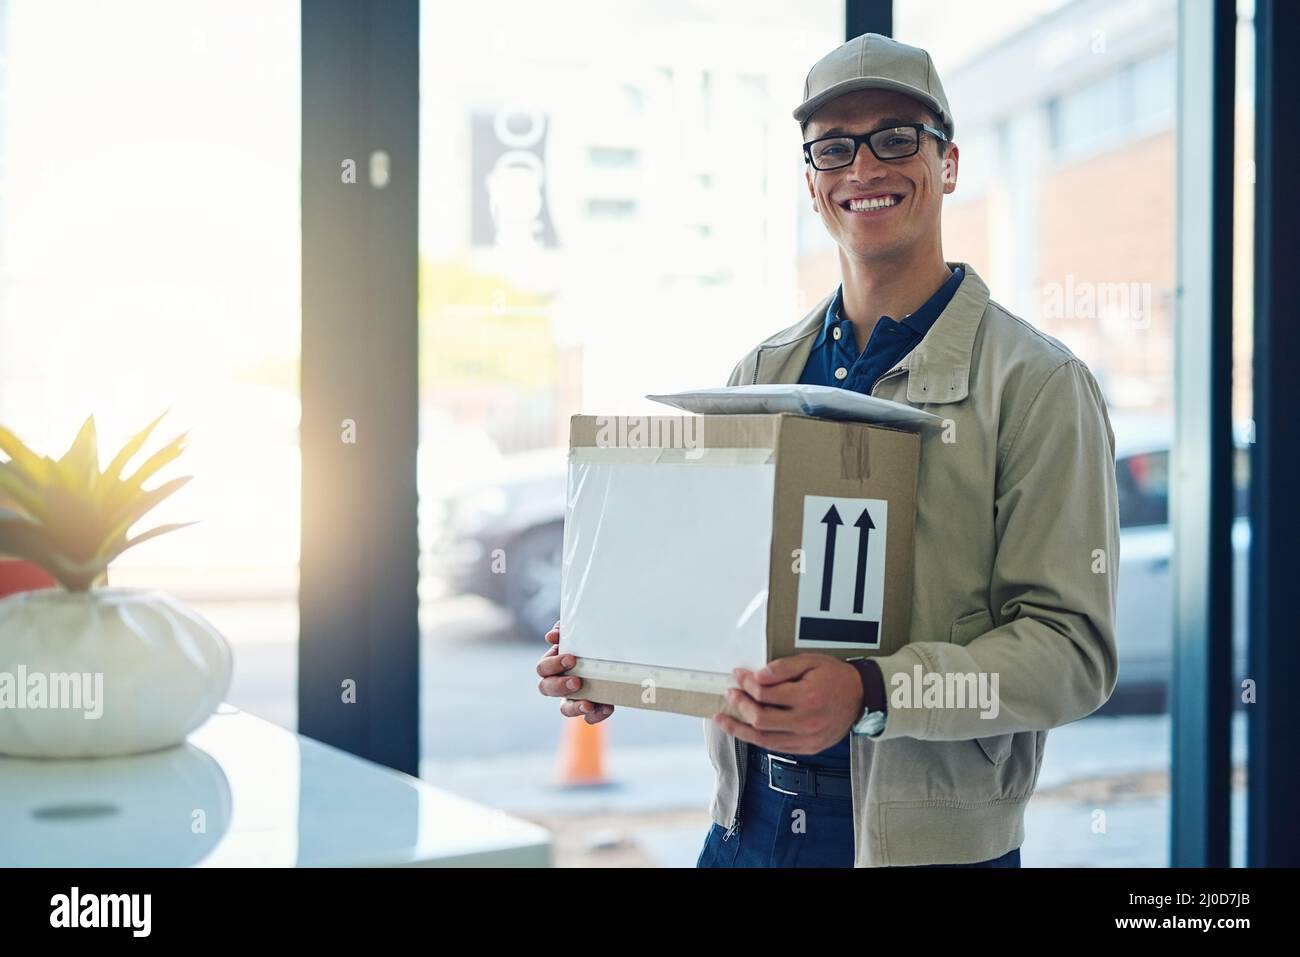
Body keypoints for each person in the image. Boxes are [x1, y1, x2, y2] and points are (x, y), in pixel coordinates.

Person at [536, 32, 1119, 868]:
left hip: (930, 849)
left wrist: (872, 693)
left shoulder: (1035, 384)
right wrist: (615, 652)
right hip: (747, 828)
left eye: (896, 137)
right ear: (813, 181)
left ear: (948, 164)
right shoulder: (763, 371)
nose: (864, 168)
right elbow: (714, 588)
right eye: (834, 147)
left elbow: (1073, 653)